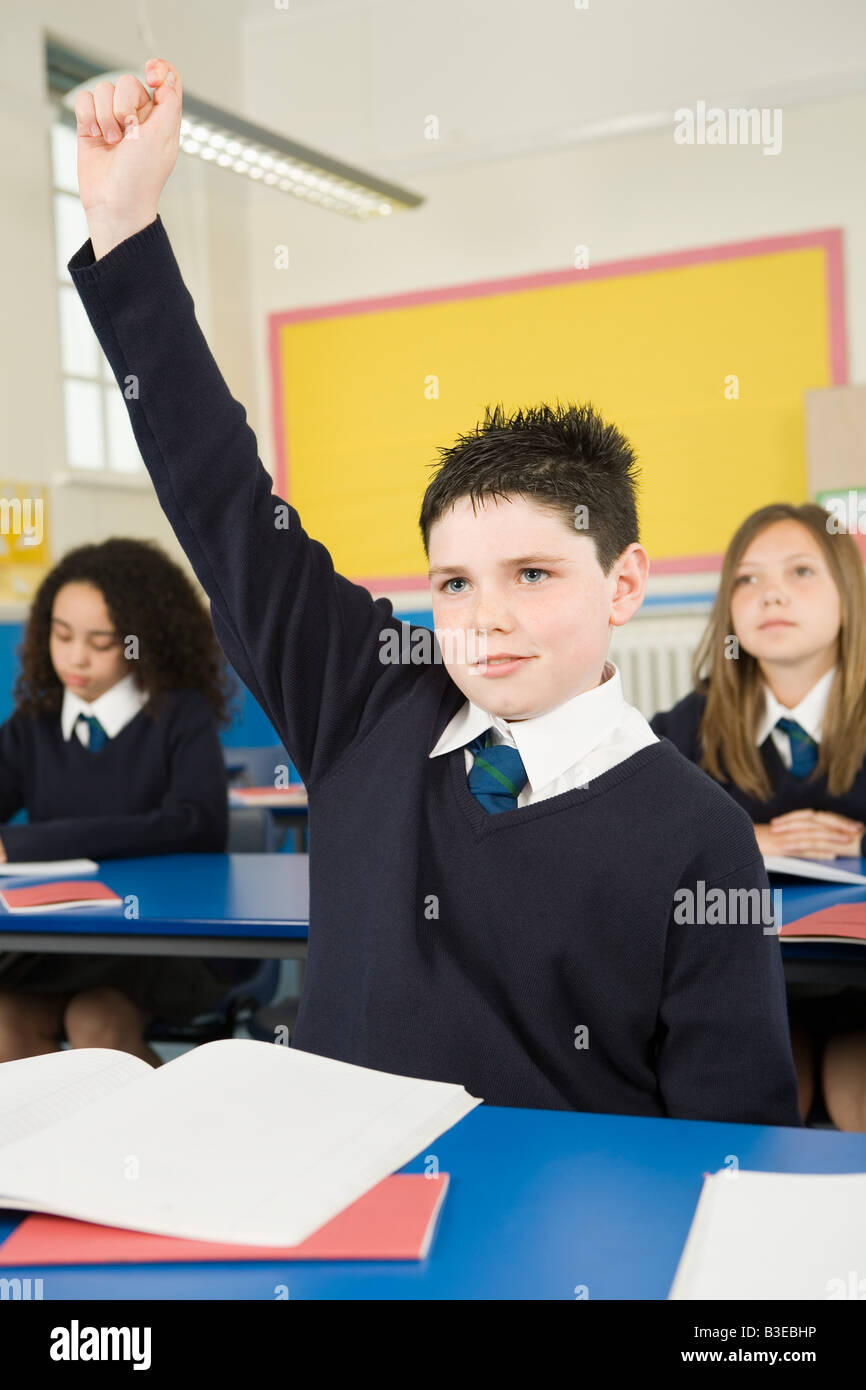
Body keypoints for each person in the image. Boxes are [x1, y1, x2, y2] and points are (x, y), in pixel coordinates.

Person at [64, 58, 800, 1124]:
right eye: (454, 581)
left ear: (624, 582)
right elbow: (223, 498)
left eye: (533, 574)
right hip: (320, 1228)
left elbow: (729, 1138)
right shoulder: (368, 703)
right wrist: (124, 224)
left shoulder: (695, 834)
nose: (484, 615)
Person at [651, 503, 866, 1130]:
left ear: (848, 597)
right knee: (759, 1118)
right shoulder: (690, 726)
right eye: (747, 579)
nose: (771, 594)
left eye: (801, 572)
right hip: (752, 988)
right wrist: (750, 839)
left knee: (856, 1101)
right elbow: (634, 835)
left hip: (860, 985)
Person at [0, 537, 234, 1065]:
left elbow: (194, 825)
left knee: (96, 1019)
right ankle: (50, 1151)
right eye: (60, 636)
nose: (75, 657)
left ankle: (155, 1149)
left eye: (101, 642)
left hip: (160, 937)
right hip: (63, 938)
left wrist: (22, 843)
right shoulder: (33, 725)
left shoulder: (180, 715)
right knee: (7, 1017)